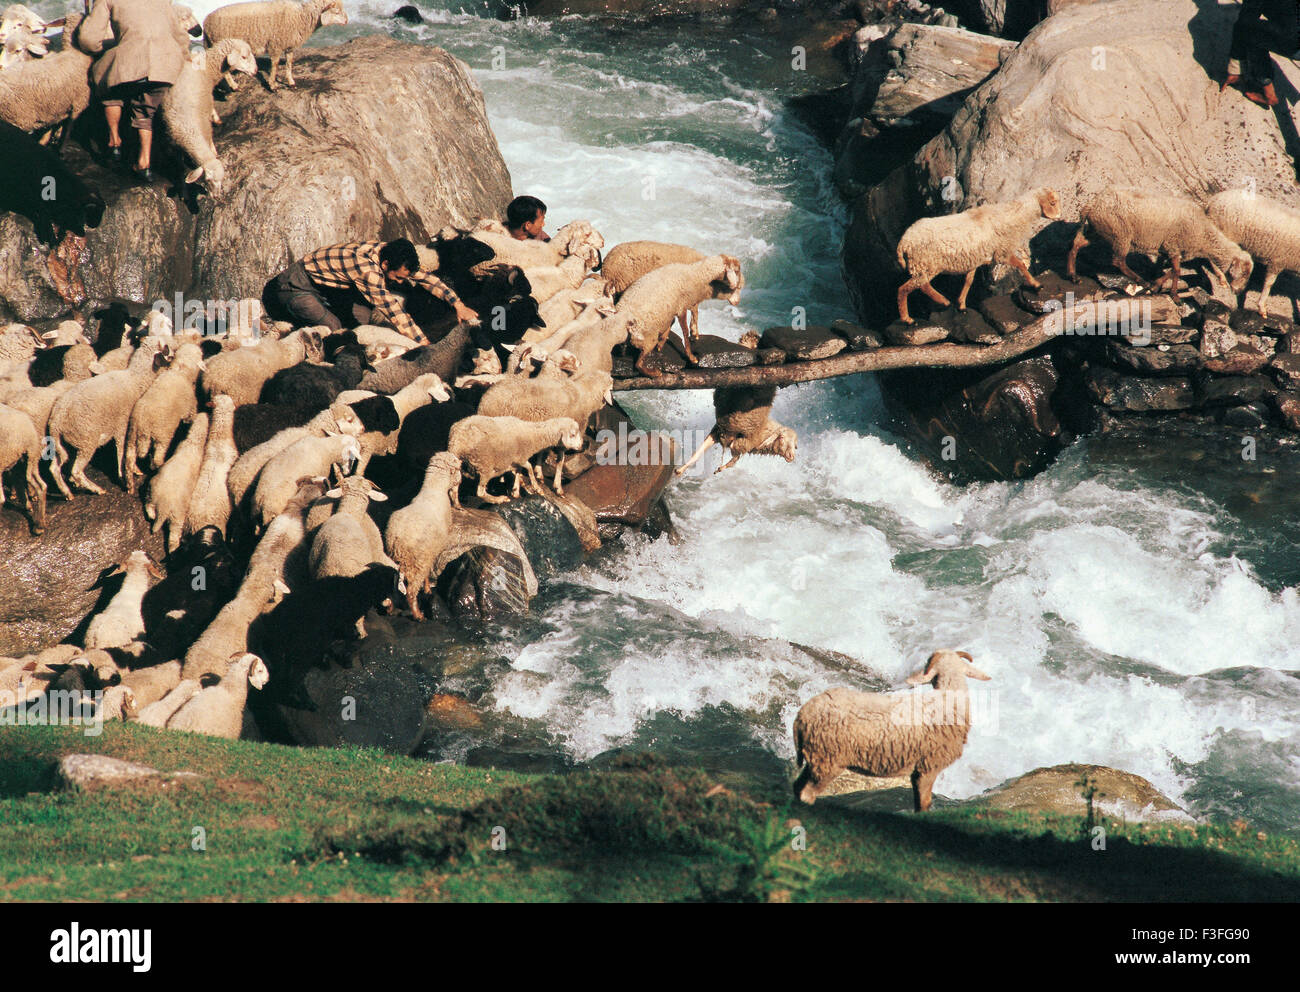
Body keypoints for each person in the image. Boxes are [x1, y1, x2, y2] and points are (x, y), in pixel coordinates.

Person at [261, 238, 478, 342]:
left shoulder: (389, 253)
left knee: (363, 319)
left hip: (326, 286)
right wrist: (424, 345)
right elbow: (394, 311)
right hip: (295, 286)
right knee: (334, 328)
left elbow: (425, 277)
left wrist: (457, 304)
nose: (401, 283)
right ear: (385, 266)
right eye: (397, 277)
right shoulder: (368, 271)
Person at [77, 0, 191, 181]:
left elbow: (88, 40)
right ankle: (144, 163)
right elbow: (180, 36)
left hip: (133, 57)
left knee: (105, 80)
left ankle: (114, 141)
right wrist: (184, 58)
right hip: (166, 63)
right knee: (145, 110)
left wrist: (100, 49)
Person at [1224, 0, 1300, 107]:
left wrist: (1235, 67)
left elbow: (1244, 22)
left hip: (1293, 42)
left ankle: (1269, 94)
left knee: (1250, 31)